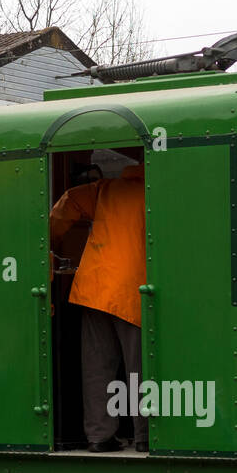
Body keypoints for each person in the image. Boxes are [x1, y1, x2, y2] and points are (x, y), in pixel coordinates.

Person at [49, 160, 148, 452]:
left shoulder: (106, 189)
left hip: (93, 289)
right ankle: (144, 436)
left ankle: (99, 436)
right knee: (138, 369)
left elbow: (66, 202)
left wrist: (51, 238)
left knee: (97, 367)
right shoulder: (155, 192)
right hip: (133, 290)